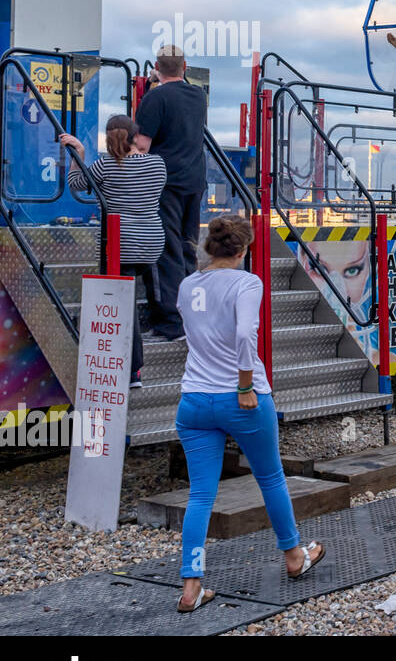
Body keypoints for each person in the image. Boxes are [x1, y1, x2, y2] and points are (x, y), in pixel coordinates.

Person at [173, 216, 325, 612]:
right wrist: (244, 385)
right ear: (243, 251)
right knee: (270, 477)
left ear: (209, 248)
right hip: (241, 398)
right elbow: (244, 334)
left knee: (201, 494)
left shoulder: (188, 285)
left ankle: (191, 586)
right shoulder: (247, 282)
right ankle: (294, 557)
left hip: (194, 400)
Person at [60, 115, 167, 388]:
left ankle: (132, 371)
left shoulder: (104, 166)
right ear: (135, 137)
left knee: (122, 306)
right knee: (134, 288)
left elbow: (76, 186)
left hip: (121, 244)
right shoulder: (157, 164)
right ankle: (166, 320)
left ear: (108, 139)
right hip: (152, 242)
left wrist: (79, 155)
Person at [134, 45, 208, 341]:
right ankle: (191, 317)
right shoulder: (198, 96)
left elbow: (142, 145)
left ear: (155, 66)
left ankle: (170, 322)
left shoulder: (156, 97)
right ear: (185, 66)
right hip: (194, 180)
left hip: (164, 183)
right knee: (188, 248)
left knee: (166, 250)